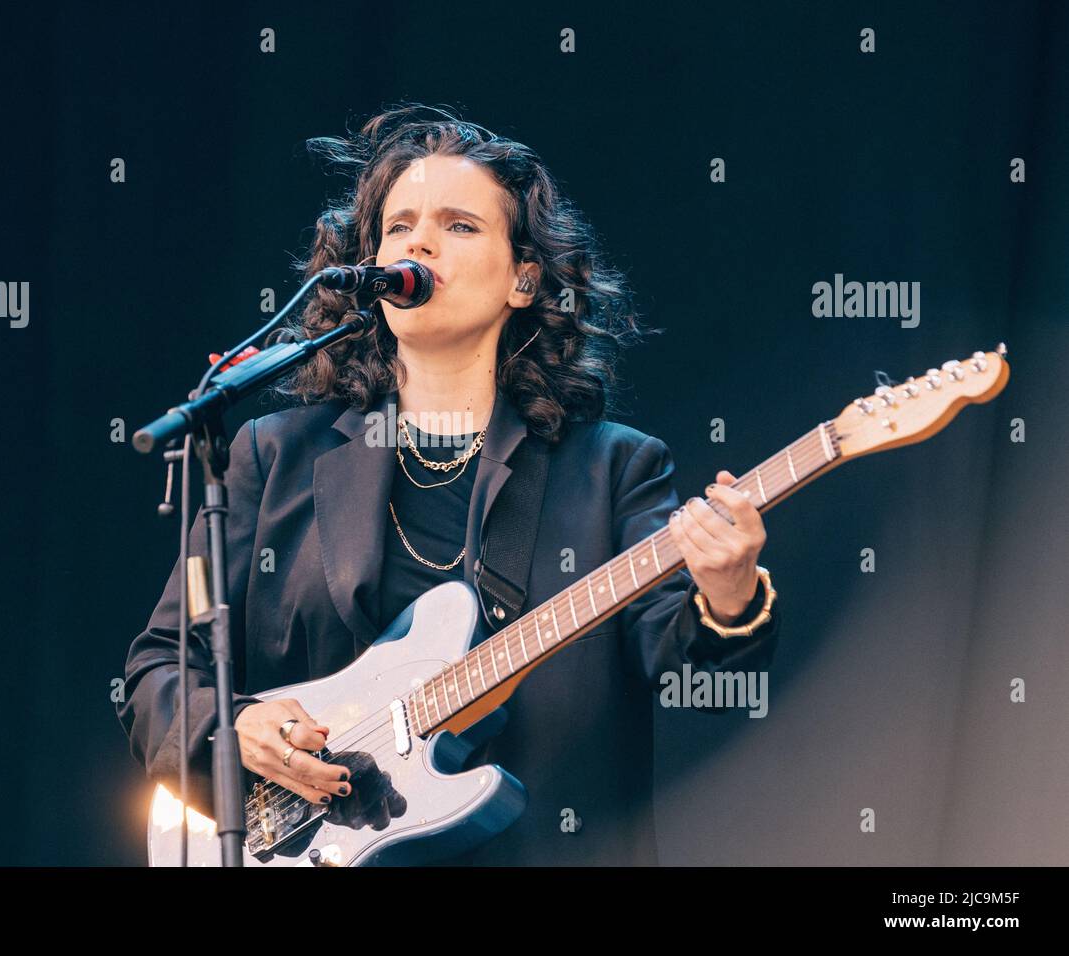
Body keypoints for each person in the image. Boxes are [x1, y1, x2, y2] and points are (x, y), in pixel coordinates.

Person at [117, 104, 781, 865]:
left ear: (524, 279)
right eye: (398, 227)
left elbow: (689, 664)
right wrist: (231, 728)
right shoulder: (274, 457)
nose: (419, 243)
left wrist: (730, 594)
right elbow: (160, 666)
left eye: (459, 225)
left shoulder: (611, 471)